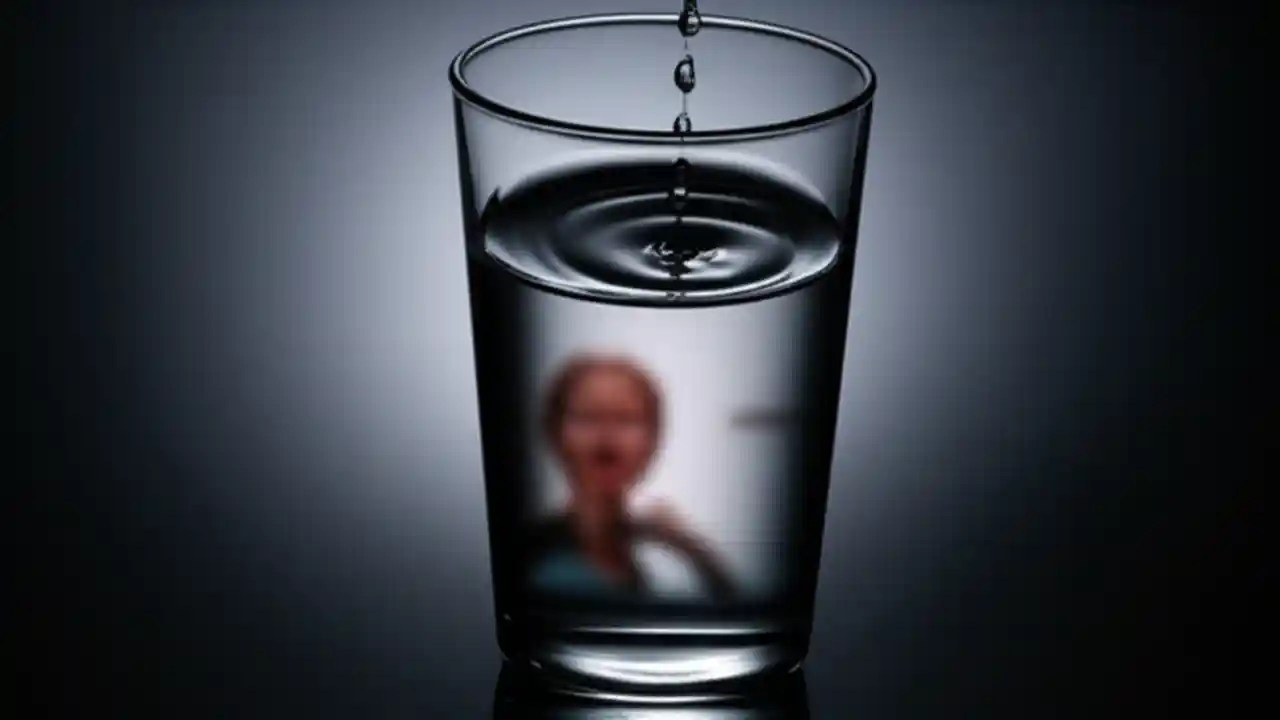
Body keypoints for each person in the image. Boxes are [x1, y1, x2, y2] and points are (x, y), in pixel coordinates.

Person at [529, 353, 733, 600]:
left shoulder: (660, 554)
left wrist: (687, 544)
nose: (607, 440)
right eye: (588, 418)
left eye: (626, 419)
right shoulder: (526, 556)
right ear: (554, 432)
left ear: (654, 439)